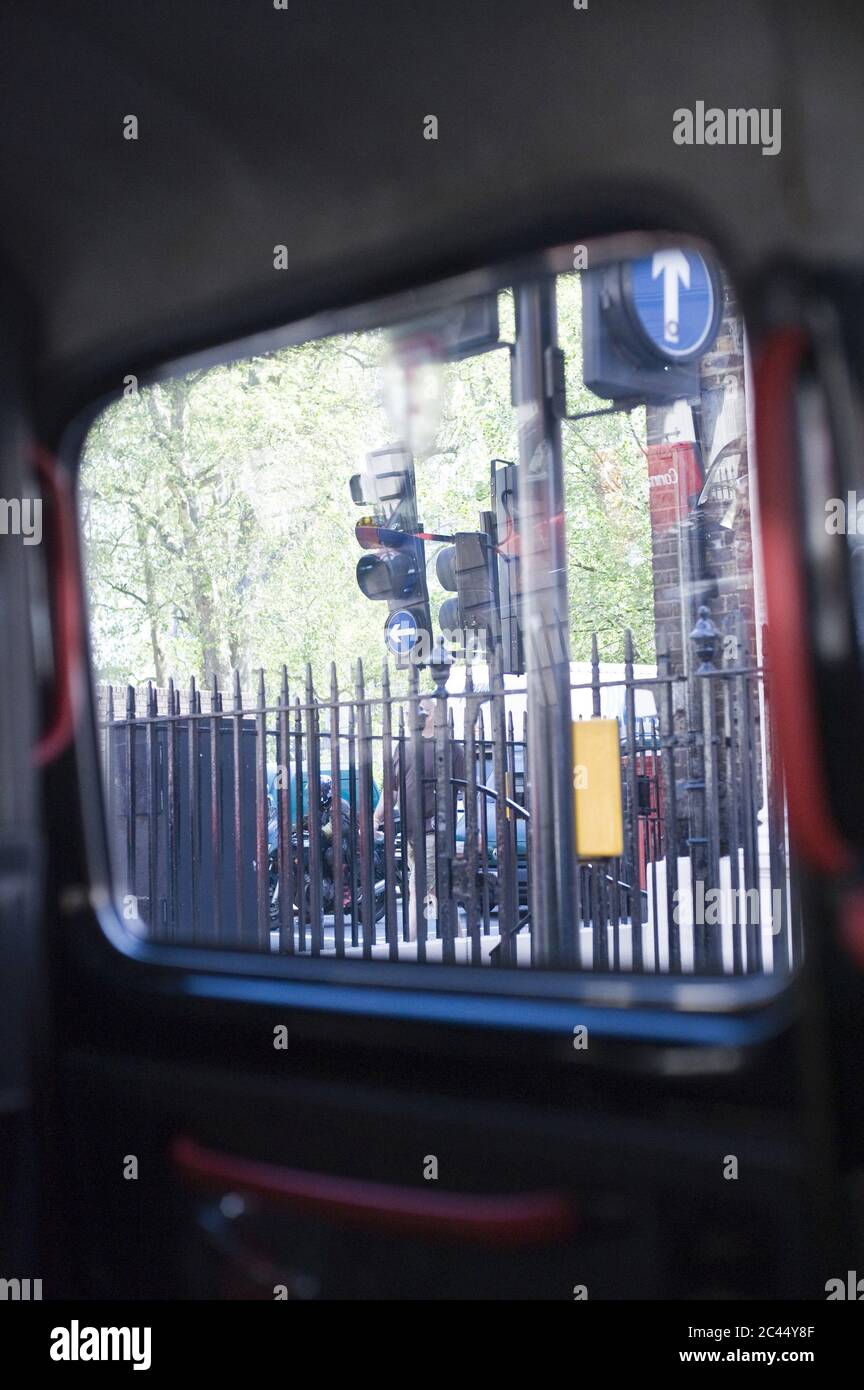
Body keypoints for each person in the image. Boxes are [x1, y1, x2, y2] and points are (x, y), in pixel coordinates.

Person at [374, 696, 464, 941]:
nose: (413, 716)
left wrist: (470, 831)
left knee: (417, 889)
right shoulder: (402, 748)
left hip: (435, 832)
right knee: (439, 891)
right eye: (408, 713)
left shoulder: (449, 748)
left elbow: (469, 791)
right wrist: (376, 819)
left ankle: (411, 948)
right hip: (412, 835)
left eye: (420, 711)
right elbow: (391, 792)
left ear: (432, 715)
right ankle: (460, 942)